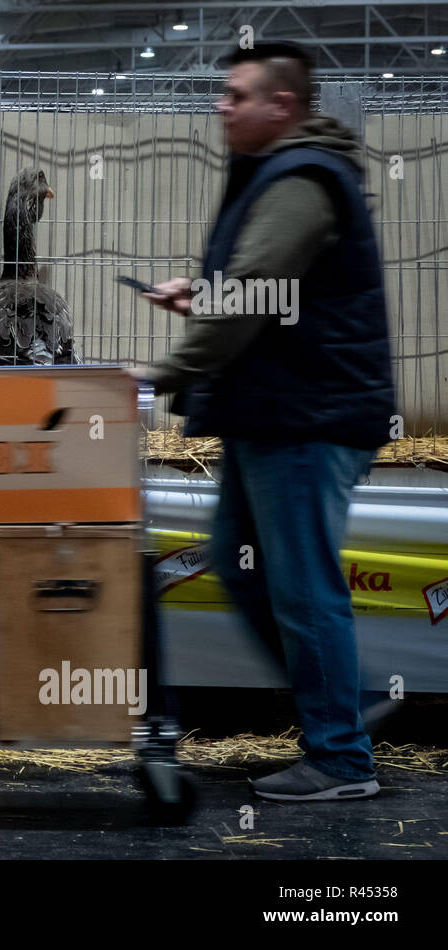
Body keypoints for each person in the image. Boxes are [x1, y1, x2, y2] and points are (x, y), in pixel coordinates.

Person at [129, 42, 397, 801]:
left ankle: (341, 758)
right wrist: (203, 295)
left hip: (307, 418)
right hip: (277, 411)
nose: (223, 104)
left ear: (281, 104)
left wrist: (160, 374)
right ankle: (343, 708)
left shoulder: (303, 179)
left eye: (237, 94)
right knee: (244, 567)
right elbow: (268, 294)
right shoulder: (281, 172)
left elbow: (255, 294)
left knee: (301, 587)